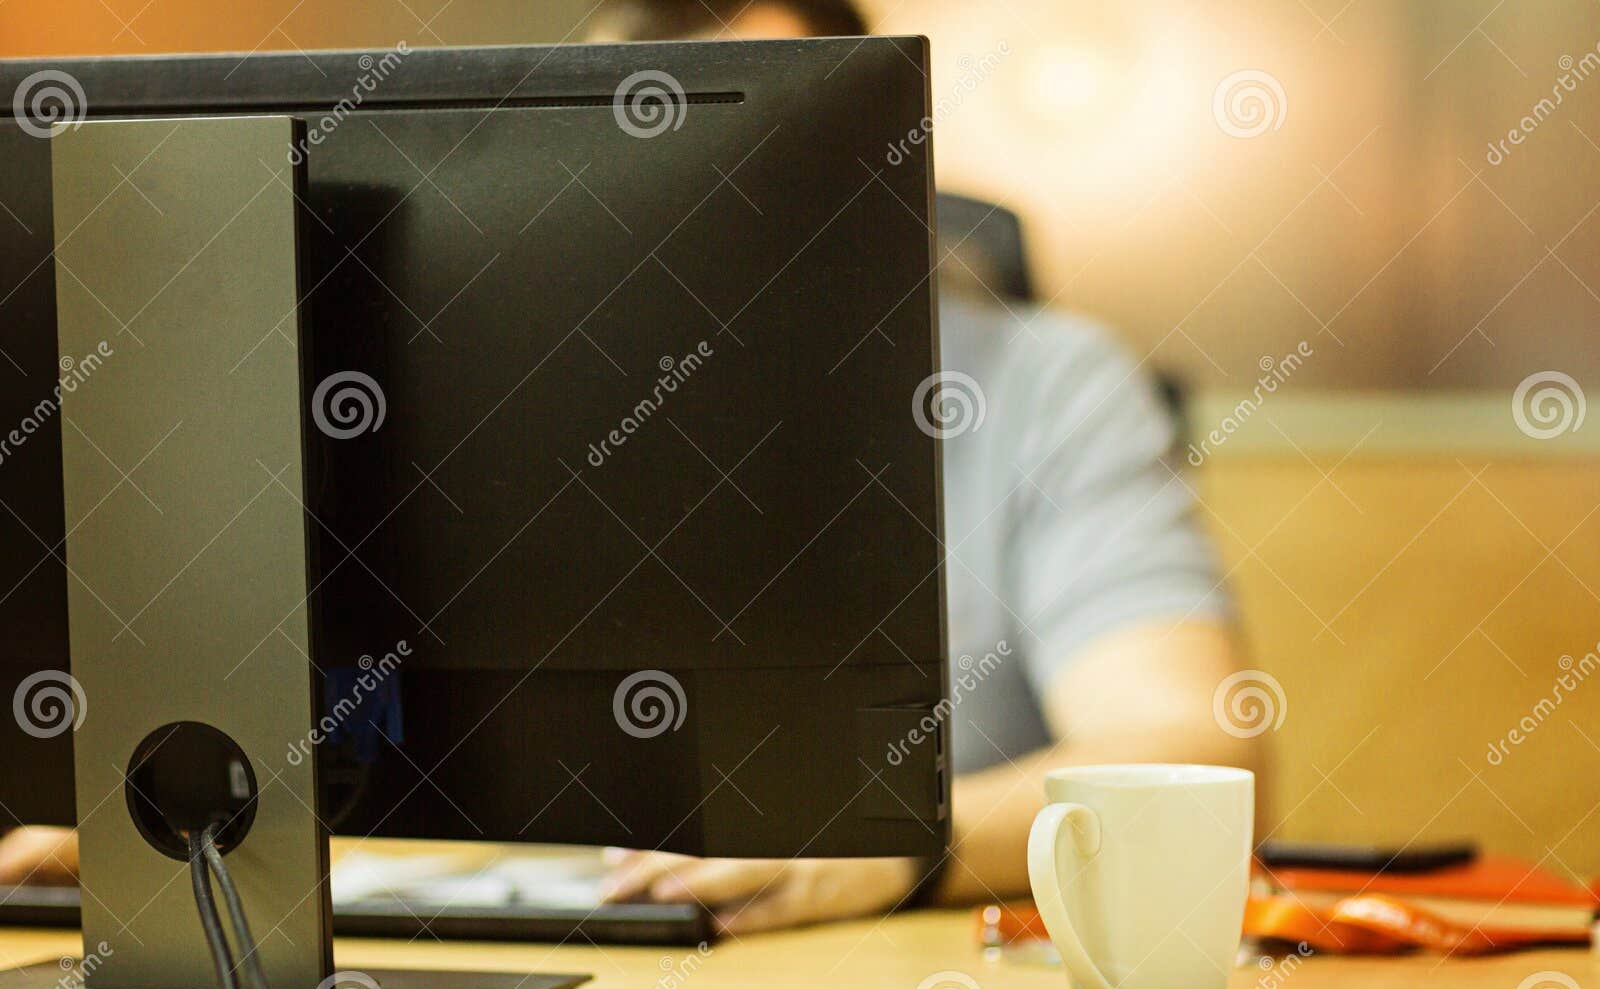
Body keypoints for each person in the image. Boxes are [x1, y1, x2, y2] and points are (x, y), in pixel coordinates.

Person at [1, 0, 1267, 930]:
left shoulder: (1041, 379)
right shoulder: (448, 381)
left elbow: (1196, 748)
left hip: (841, 988)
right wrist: (179, 810)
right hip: (484, 951)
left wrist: (902, 850)